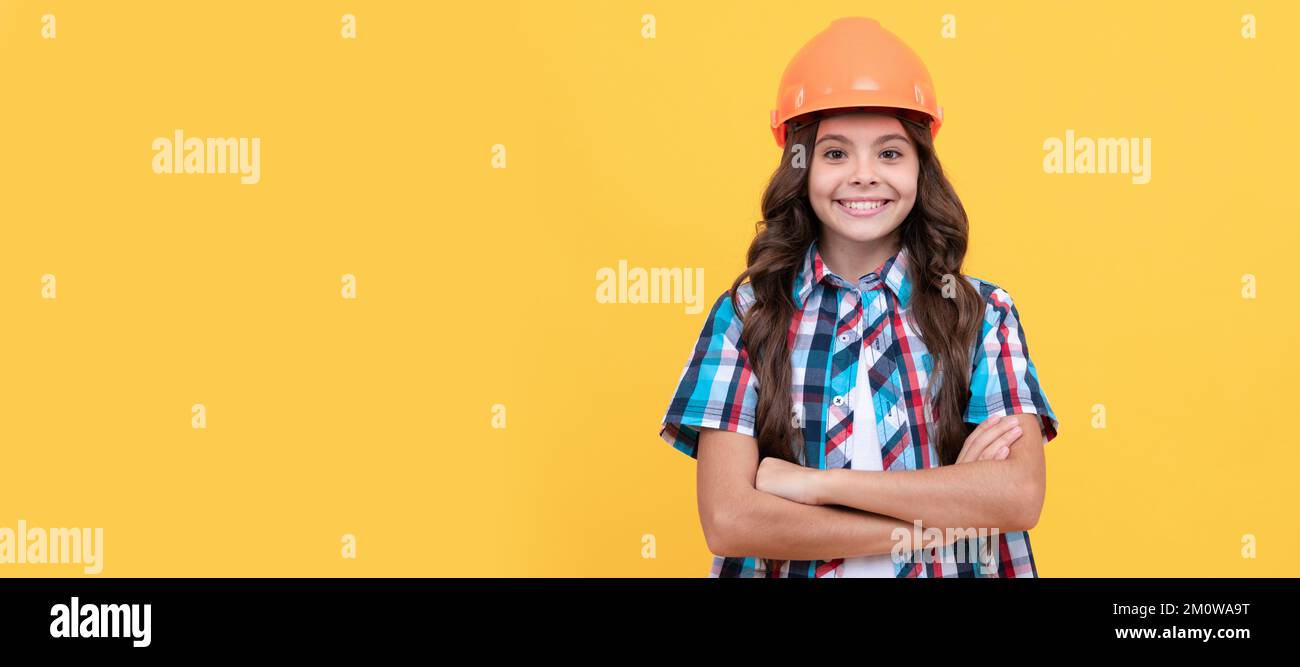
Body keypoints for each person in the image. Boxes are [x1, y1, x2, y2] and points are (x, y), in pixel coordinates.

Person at [657, 17, 1060, 577]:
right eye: (837, 154)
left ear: (922, 167)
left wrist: (814, 487)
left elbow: (1017, 497)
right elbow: (730, 519)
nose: (865, 175)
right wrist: (950, 516)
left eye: (890, 153)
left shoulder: (982, 314)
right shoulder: (748, 316)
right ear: (801, 168)